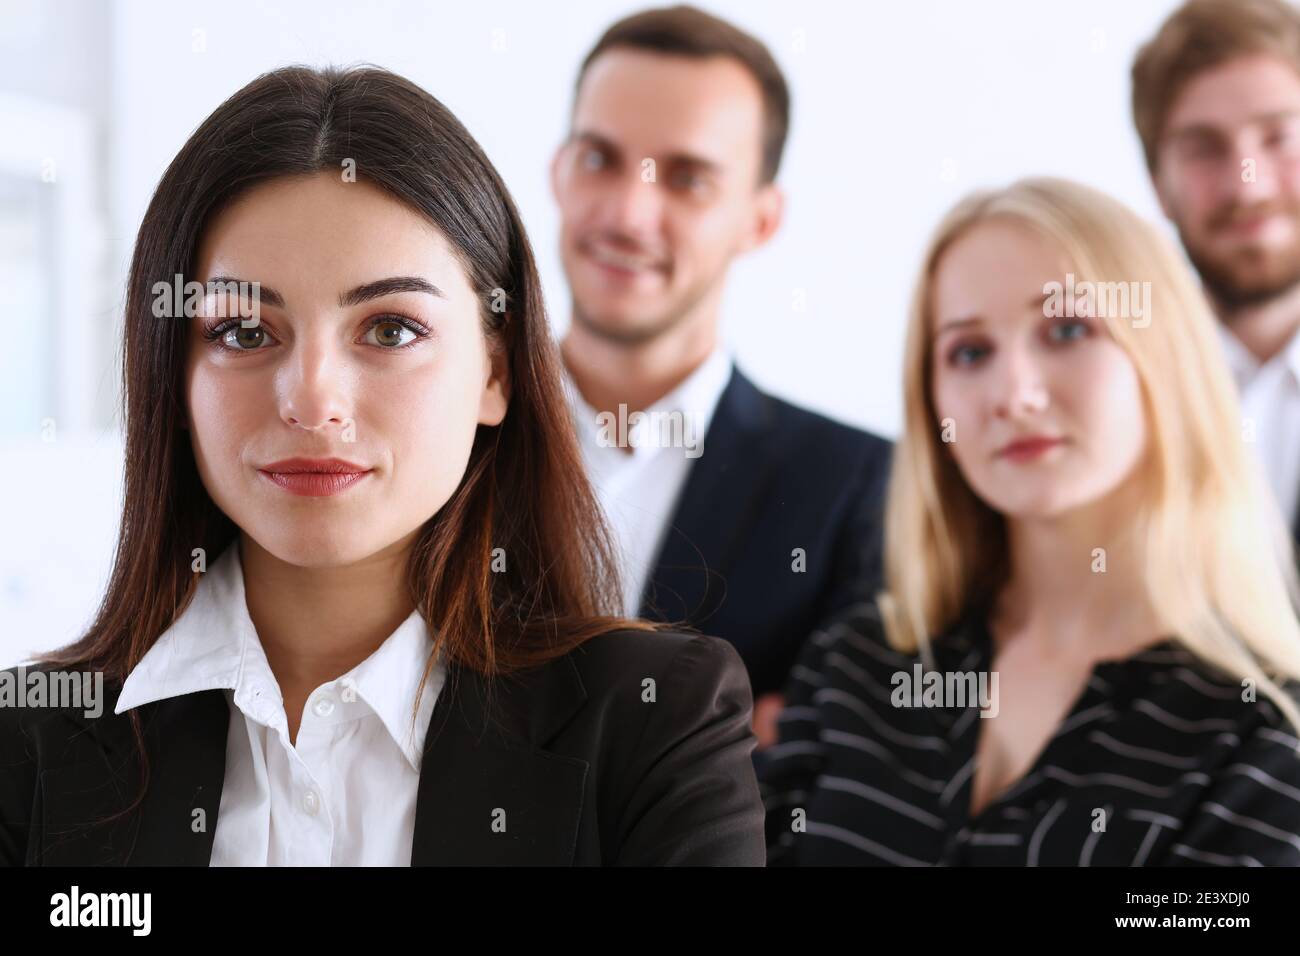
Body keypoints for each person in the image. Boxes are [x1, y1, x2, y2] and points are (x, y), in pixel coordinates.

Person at [0, 65, 765, 867]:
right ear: (172, 375)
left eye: (391, 329)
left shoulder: (654, 723)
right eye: (245, 333)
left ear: (496, 372)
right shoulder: (30, 750)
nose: (313, 401)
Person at [758, 178, 1300, 866]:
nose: (1013, 394)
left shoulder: (1262, 732)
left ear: (1166, 358)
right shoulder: (855, 664)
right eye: (969, 352)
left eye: (1067, 329)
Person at [551, 5, 892, 746]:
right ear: (557, 169)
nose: (629, 214)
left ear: (759, 221)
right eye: (600, 158)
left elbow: (836, 774)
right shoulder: (435, 426)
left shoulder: (854, 485)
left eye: (687, 179)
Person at [1133, 0, 1300, 553]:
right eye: (1204, 149)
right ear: (1159, 185)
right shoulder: (1111, 384)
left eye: (1279, 138)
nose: (1247, 187)